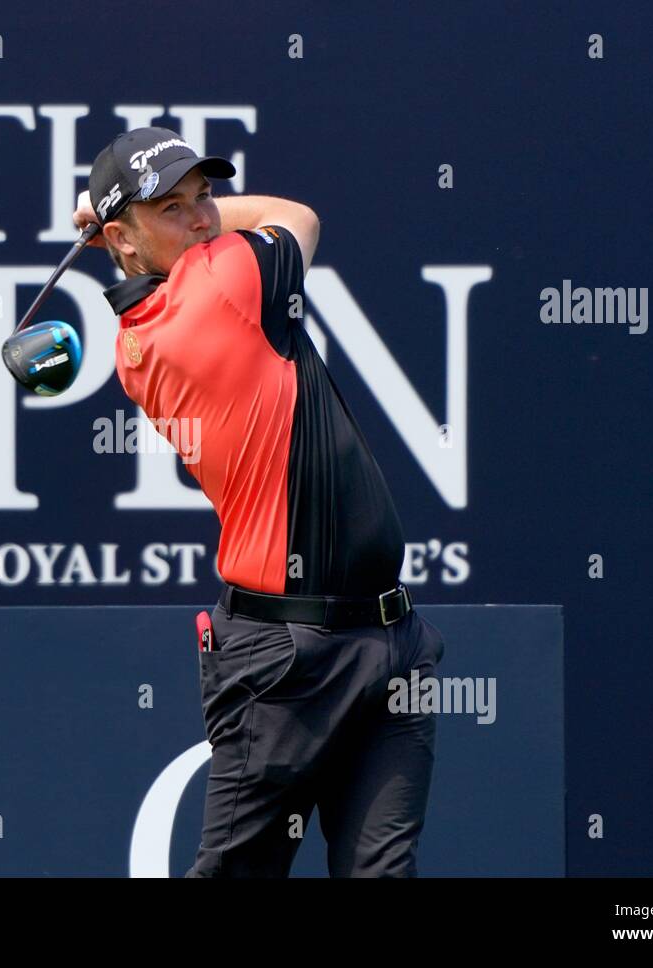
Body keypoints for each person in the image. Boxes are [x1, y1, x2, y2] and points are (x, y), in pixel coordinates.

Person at [74, 127, 447, 877]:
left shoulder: (141, 330)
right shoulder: (221, 284)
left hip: (387, 636)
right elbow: (298, 215)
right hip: (286, 661)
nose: (205, 218)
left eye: (205, 194)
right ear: (121, 235)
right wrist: (107, 216)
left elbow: (193, 241)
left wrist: (128, 228)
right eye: (173, 208)